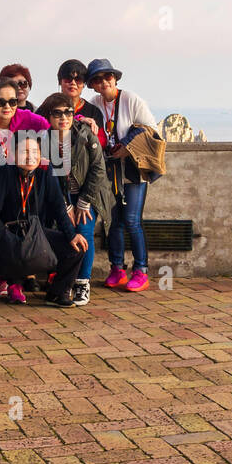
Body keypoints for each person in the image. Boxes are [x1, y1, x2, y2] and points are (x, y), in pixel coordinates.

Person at [0, 135, 89, 308]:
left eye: (35, 152)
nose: (30, 156)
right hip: (5, 236)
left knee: (77, 247)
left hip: (36, 234)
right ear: (13, 155)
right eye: (24, 152)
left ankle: (57, 294)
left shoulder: (46, 171)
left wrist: (71, 235)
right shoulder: (5, 171)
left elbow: (59, 208)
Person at [87, 58, 161, 293]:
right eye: (98, 79)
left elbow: (150, 129)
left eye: (107, 76)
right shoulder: (95, 104)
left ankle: (141, 271)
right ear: (93, 85)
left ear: (115, 78)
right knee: (113, 222)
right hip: (109, 170)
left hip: (131, 169)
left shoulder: (130, 99)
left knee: (131, 220)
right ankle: (117, 268)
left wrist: (126, 145)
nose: (104, 82)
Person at [0, 77, 49, 301]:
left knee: (18, 229)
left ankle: (15, 282)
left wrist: (42, 155)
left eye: (13, 101)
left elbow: (50, 125)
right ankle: (0, 280)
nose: (7, 107)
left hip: (19, 186)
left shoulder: (27, 118)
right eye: (1, 101)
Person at [36, 92, 111, 306]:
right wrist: (66, 205)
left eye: (68, 112)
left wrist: (83, 202)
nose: (63, 118)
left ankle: (82, 282)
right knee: (64, 235)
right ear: (49, 117)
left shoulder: (85, 134)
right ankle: (63, 284)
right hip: (61, 197)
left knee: (84, 232)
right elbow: (49, 177)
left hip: (89, 194)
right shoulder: (44, 140)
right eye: (57, 113)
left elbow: (98, 169)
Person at [56, 59, 107, 147]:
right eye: (68, 79)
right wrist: (79, 121)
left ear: (84, 84)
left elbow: (101, 142)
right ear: (60, 82)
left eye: (78, 79)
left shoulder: (93, 111)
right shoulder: (50, 106)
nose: (73, 83)